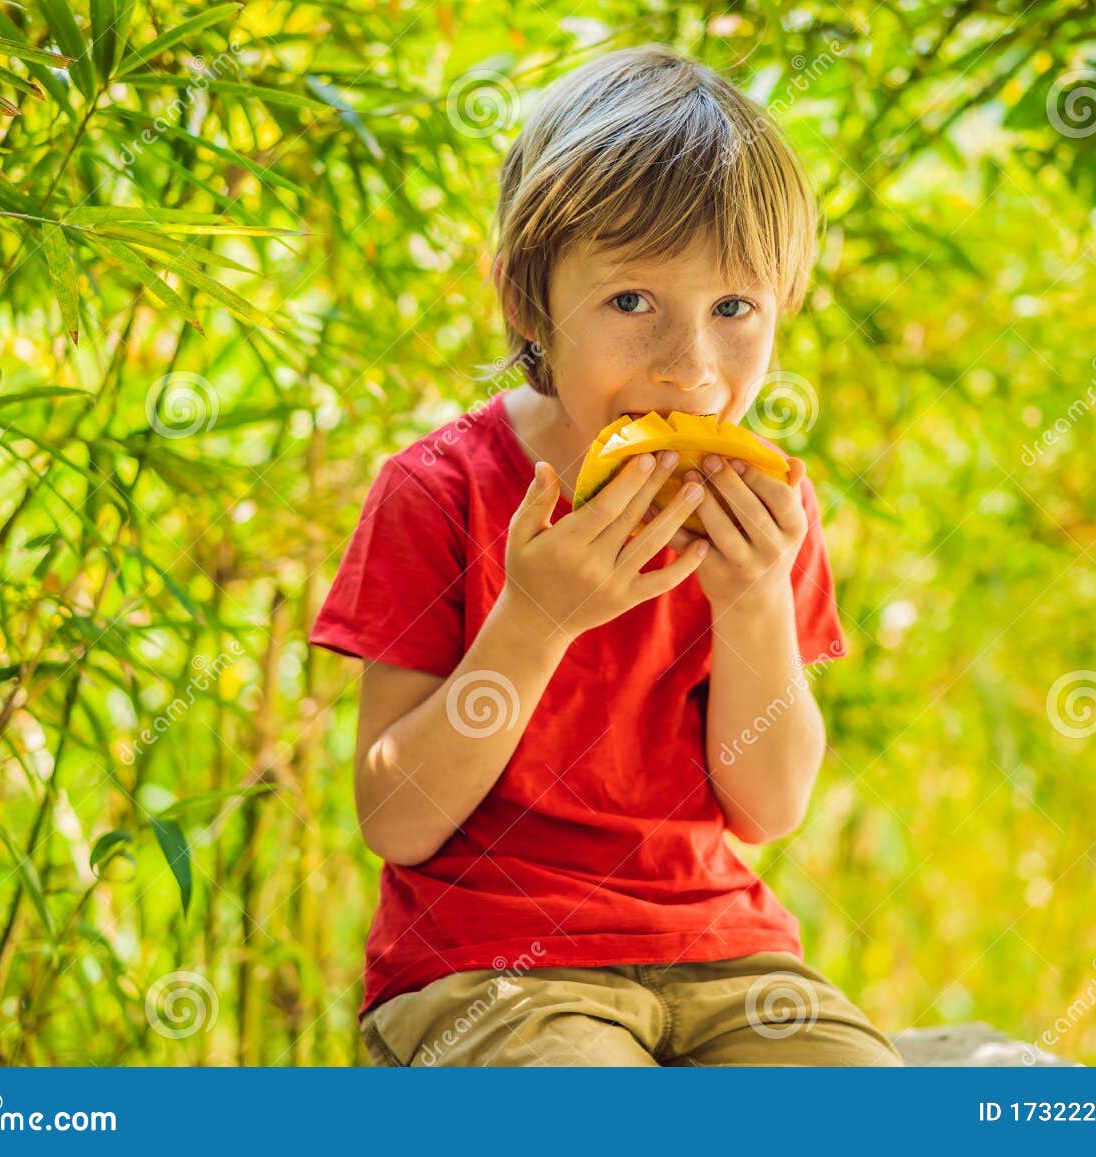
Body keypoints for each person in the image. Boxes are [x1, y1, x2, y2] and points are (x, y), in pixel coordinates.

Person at [310, 43, 901, 1066]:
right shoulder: (440, 491)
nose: (690, 366)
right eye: (632, 303)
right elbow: (396, 816)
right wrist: (533, 618)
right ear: (527, 299)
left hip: (725, 956)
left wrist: (755, 599)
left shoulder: (764, 510)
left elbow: (768, 805)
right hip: (486, 965)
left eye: (735, 308)